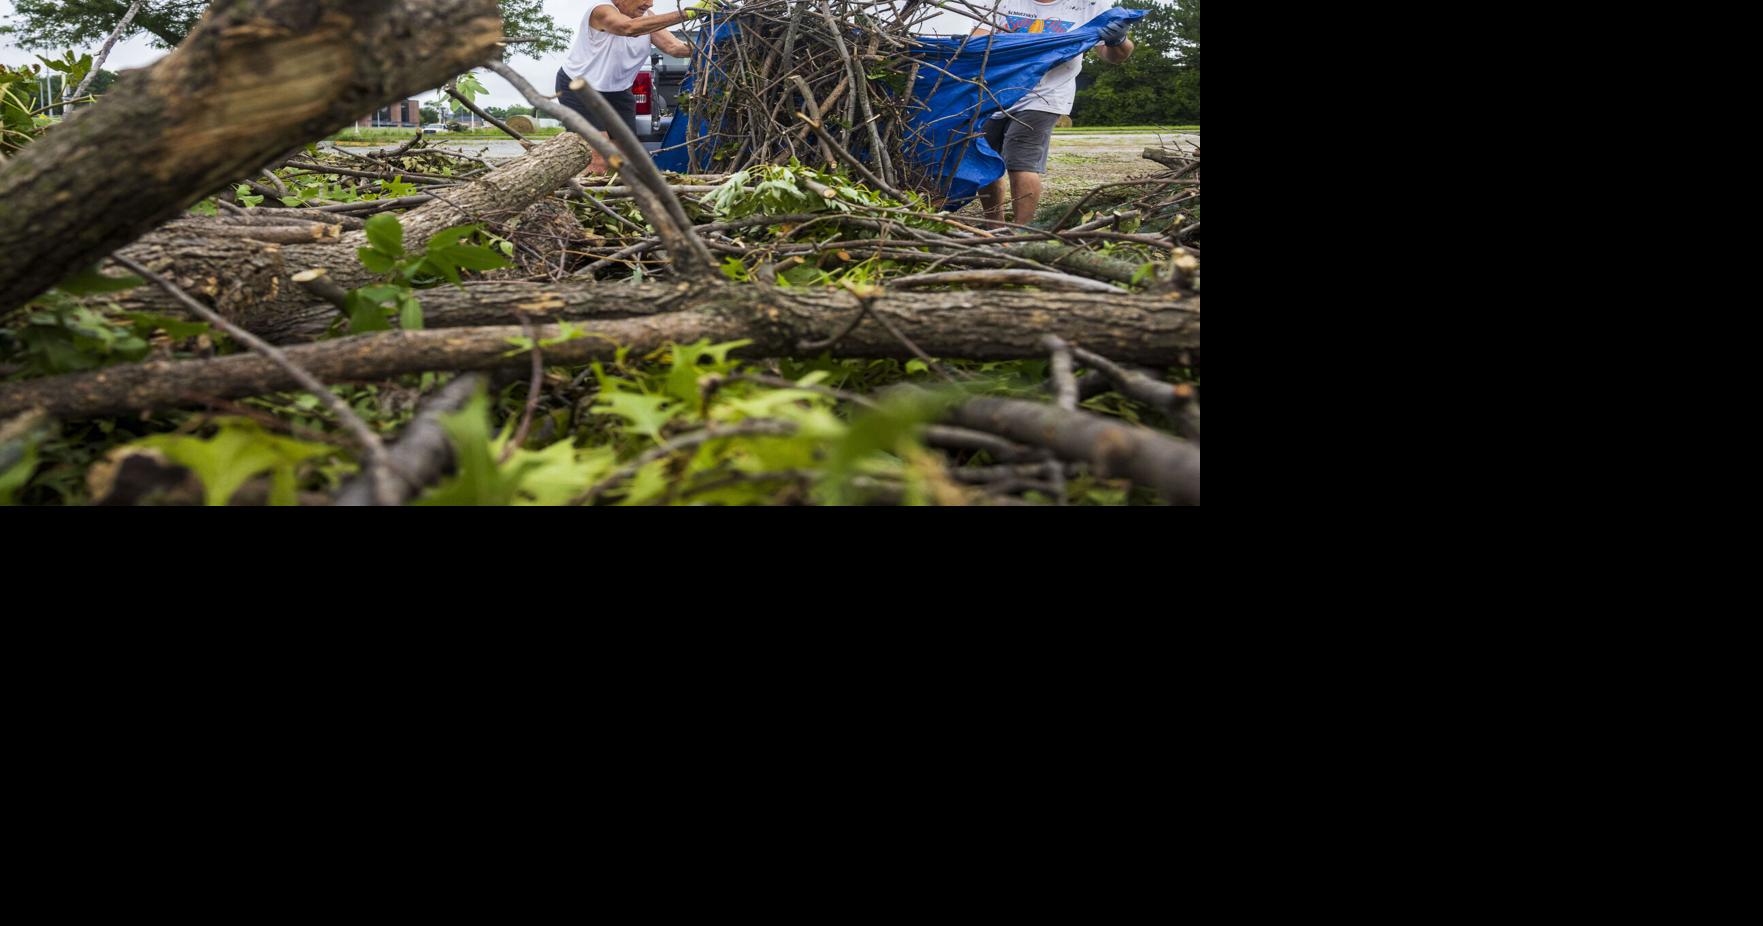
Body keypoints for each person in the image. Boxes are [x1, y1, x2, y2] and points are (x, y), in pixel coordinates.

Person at [972, 0, 1133, 225]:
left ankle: (1022, 233)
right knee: (985, 156)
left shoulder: (1090, 4)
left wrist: (1119, 40)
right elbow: (978, 39)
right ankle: (994, 224)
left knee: (1020, 158)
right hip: (998, 90)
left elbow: (1115, 56)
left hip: (1046, 94)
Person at [558, 0, 718, 174]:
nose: (650, 4)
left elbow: (674, 48)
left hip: (618, 92)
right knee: (598, 160)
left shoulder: (646, 19)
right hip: (581, 89)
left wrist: (716, 47)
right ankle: (584, 196)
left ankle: (612, 198)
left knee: (622, 160)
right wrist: (688, 13)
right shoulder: (601, 11)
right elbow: (628, 28)